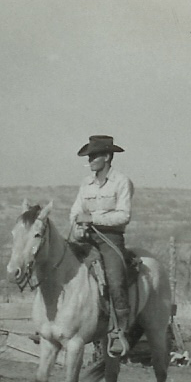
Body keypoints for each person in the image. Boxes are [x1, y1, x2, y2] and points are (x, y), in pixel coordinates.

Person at [68, 135, 137, 357]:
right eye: (89, 156)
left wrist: (93, 219)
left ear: (107, 157)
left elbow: (124, 215)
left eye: (94, 156)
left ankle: (120, 329)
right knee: (61, 266)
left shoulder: (121, 182)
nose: (90, 160)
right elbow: (75, 211)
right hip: (85, 236)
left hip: (110, 238)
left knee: (115, 278)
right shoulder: (85, 184)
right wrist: (78, 225)